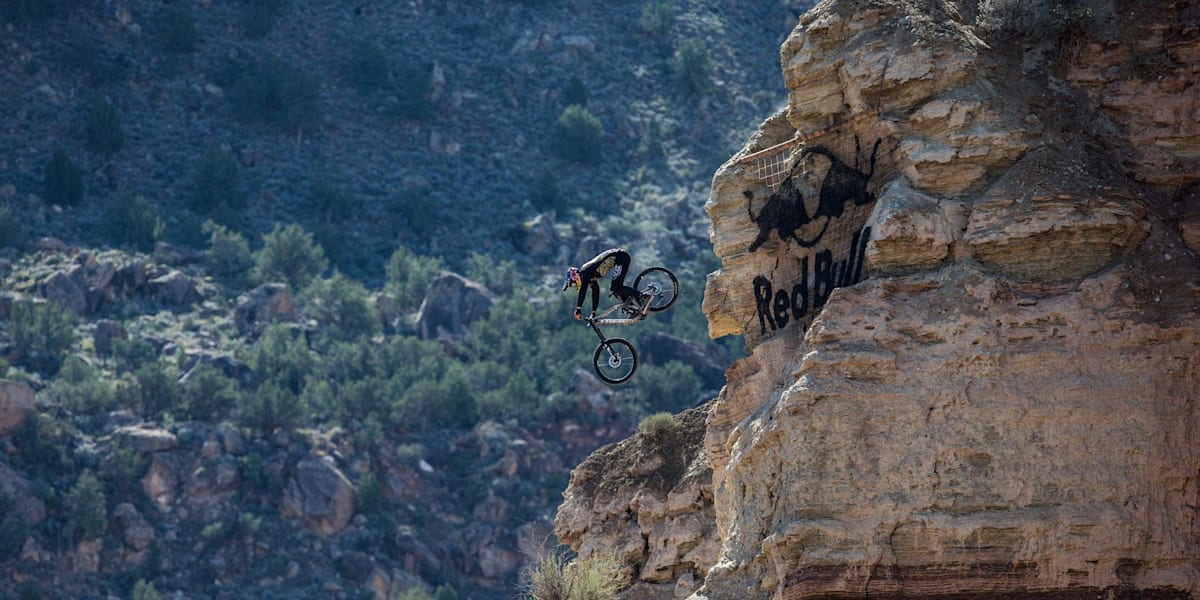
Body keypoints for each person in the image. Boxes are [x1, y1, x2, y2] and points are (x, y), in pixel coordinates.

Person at [561, 248, 642, 320]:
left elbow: (583, 290)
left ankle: (639, 295)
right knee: (615, 291)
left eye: (572, 284)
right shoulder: (589, 278)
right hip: (619, 259)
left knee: (616, 287)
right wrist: (593, 312)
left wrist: (578, 308)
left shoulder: (584, 272)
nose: (574, 286)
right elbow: (595, 293)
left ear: (574, 277)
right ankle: (635, 307)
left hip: (621, 257)